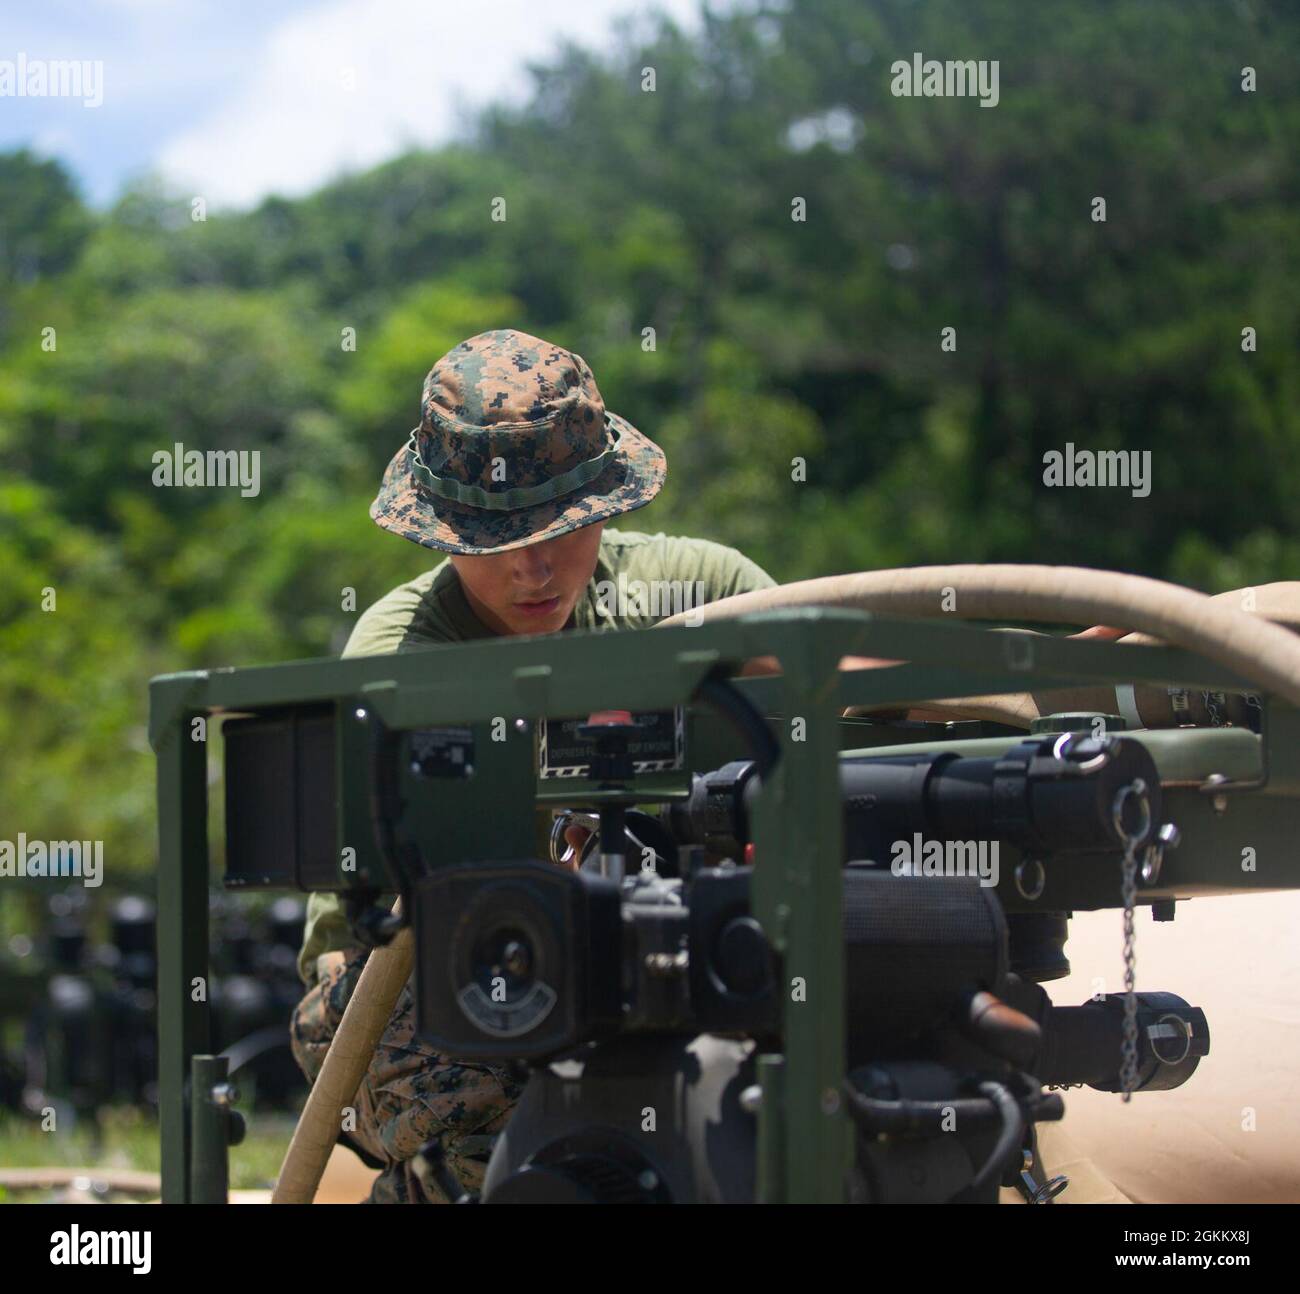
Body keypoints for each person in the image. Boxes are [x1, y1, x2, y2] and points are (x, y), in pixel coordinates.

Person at [289, 327, 776, 1202]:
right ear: (441, 533)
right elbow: (409, 933)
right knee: (520, 1050)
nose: (534, 567)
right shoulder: (402, 657)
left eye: (560, 526)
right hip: (396, 988)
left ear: (603, 503)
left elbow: (848, 687)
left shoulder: (692, 589)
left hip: (648, 952)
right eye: (494, 538)